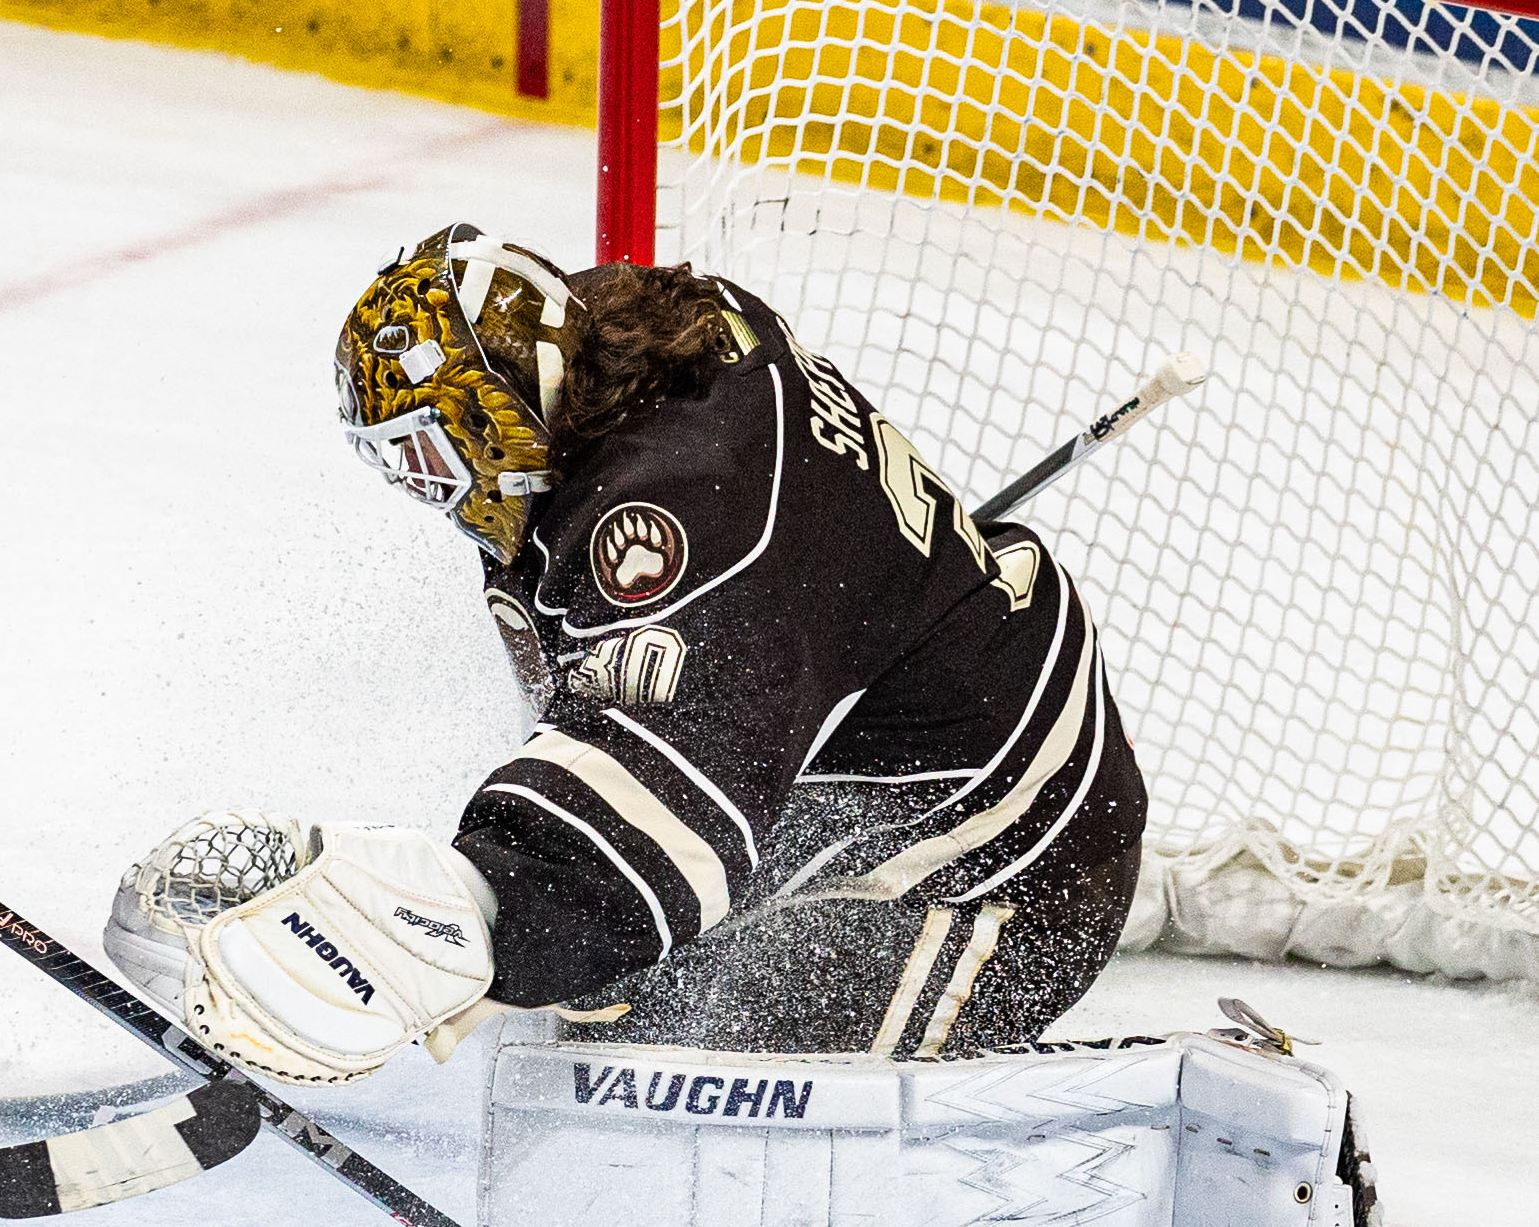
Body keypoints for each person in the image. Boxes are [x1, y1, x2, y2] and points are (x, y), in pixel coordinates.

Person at [107, 225, 1146, 1080]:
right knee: (599, 993)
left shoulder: (677, 517)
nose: (430, 492)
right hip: (918, 738)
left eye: (429, 456)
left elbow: (656, 813)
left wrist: (462, 919)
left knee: (657, 1075)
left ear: (497, 414)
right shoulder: (640, 340)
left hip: (1010, 869)